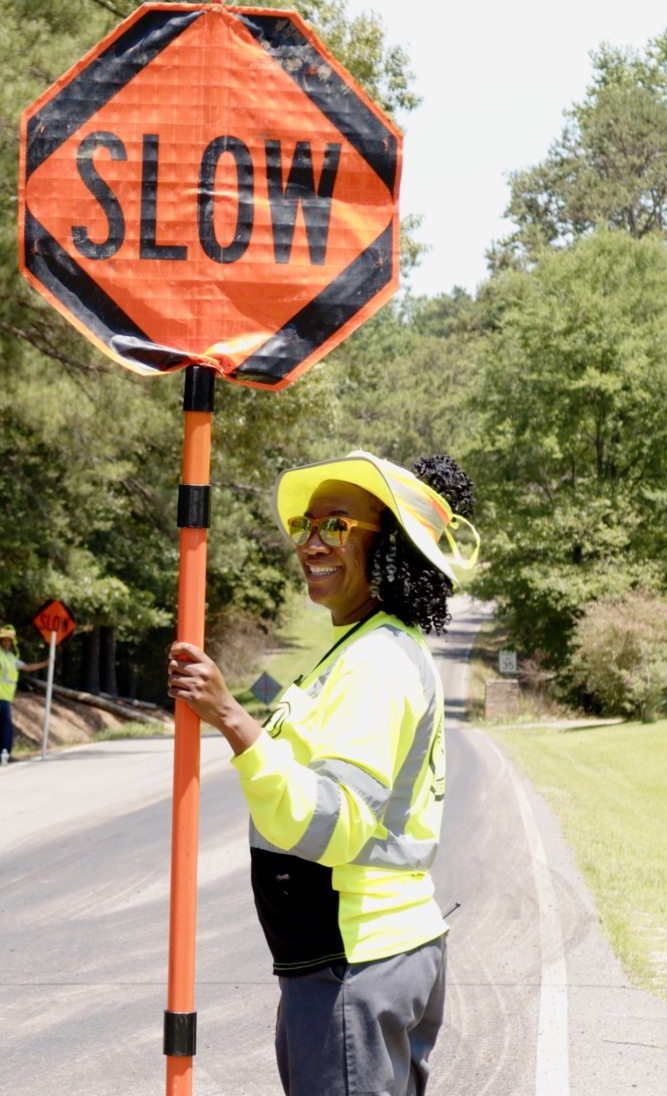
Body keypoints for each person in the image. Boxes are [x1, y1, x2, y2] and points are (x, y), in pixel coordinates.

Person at [168, 452, 477, 1096]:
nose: (312, 542)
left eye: (336, 525)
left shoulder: (378, 661)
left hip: (355, 963)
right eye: (306, 526)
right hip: (343, 965)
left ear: (388, 546)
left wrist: (229, 715)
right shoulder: (357, 650)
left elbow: (330, 821)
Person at [0, 625, 51, 765]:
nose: (6, 642)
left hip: (6, 695)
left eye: (9, 640)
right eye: (4, 640)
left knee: (1, 725)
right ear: (0, 641)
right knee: (6, 725)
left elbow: (26, 667)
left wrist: (46, 663)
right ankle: (5, 754)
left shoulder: (10, 657)